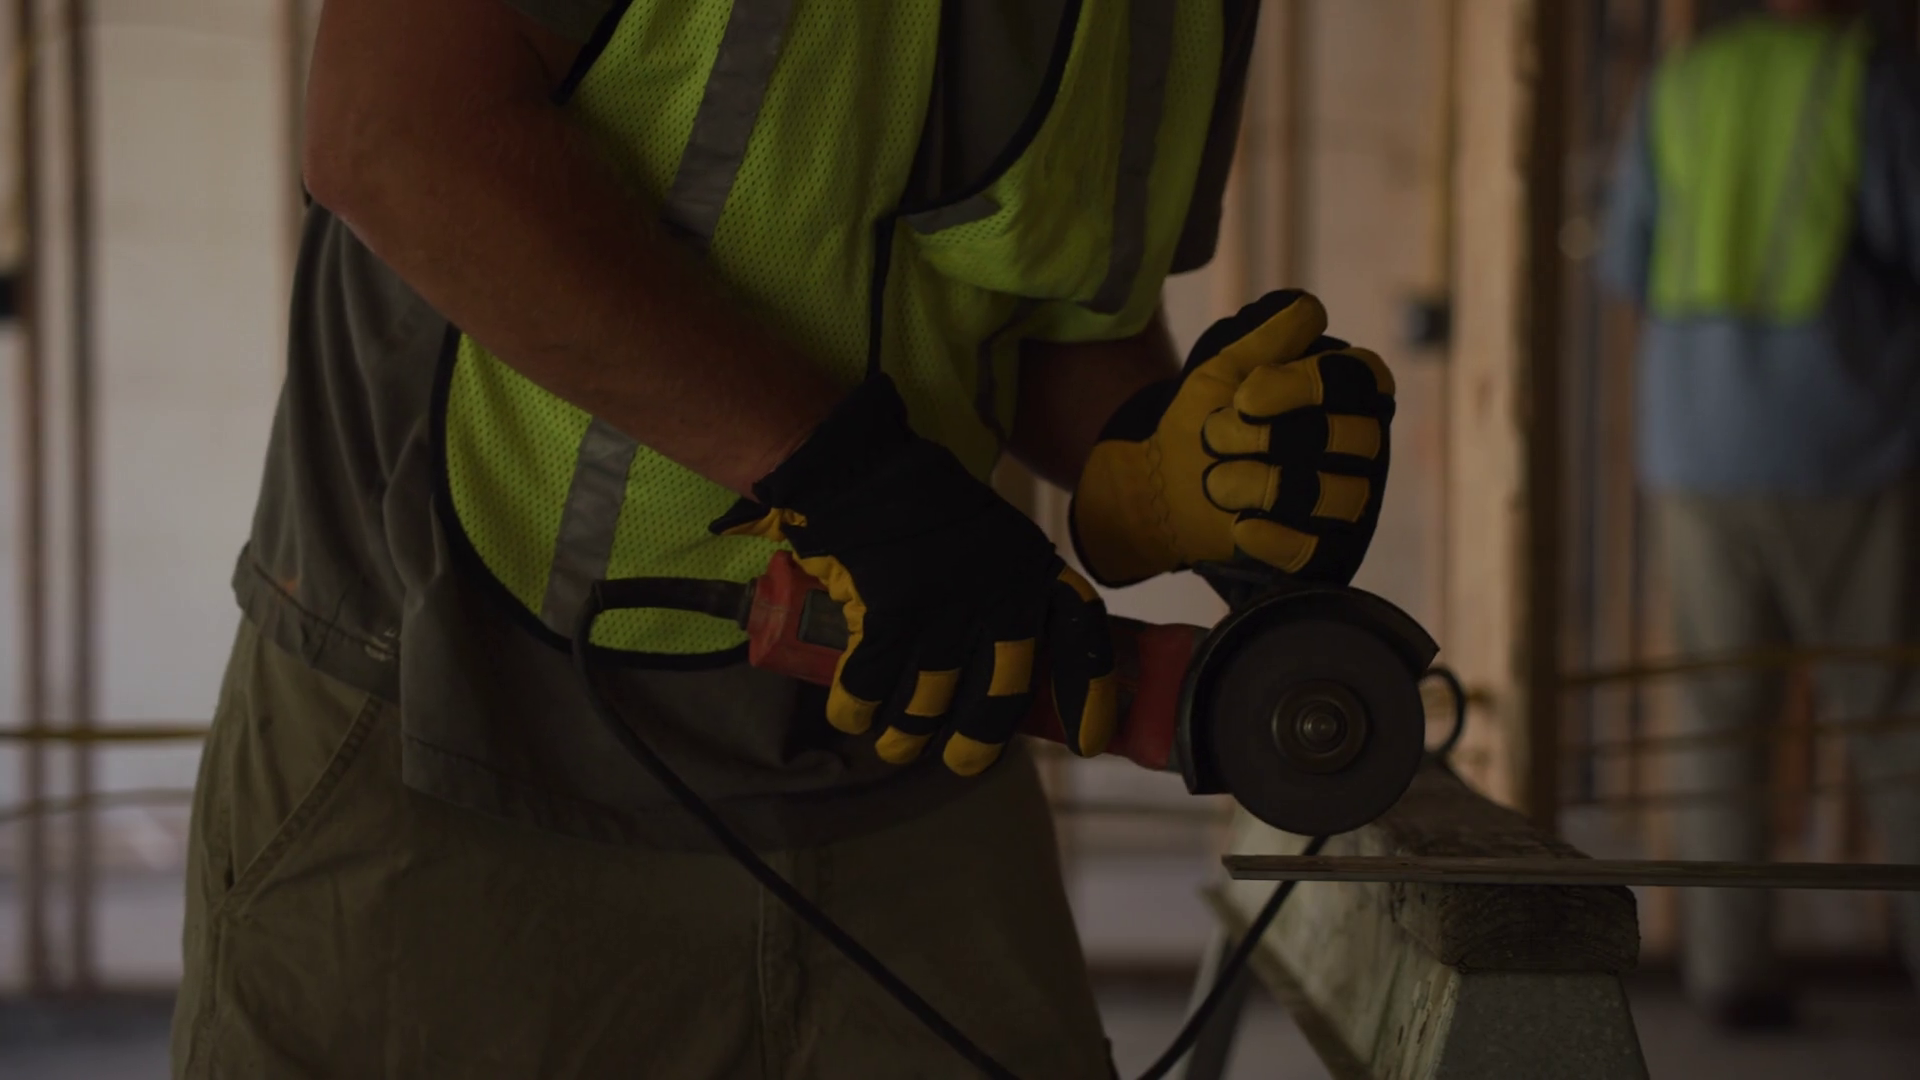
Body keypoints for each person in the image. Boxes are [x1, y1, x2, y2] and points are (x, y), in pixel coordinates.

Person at [168, 1, 1397, 1076]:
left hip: (899, 768)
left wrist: (1168, 456)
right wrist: (853, 485)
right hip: (456, 750)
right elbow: (400, 138)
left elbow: (1047, 304)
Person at [1599, 0, 1920, 1030]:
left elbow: (1626, 264)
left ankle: (1731, 976)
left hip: (1697, 448)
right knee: (1892, 720)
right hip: (1846, 441)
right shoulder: (1868, 79)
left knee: (1716, 715)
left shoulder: (1679, 86)